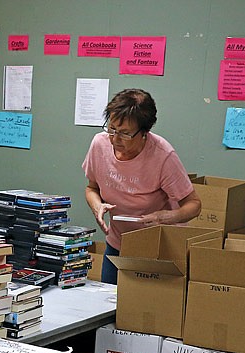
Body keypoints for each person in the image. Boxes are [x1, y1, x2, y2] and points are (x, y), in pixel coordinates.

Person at [82, 88, 201, 284]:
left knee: (148, 310)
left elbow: (194, 205)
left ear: (144, 132)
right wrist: (97, 207)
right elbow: (92, 188)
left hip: (158, 247)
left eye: (125, 133)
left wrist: (166, 217)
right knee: (109, 307)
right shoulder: (99, 144)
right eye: (112, 129)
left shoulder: (163, 155)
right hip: (118, 242)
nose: (115, 139)